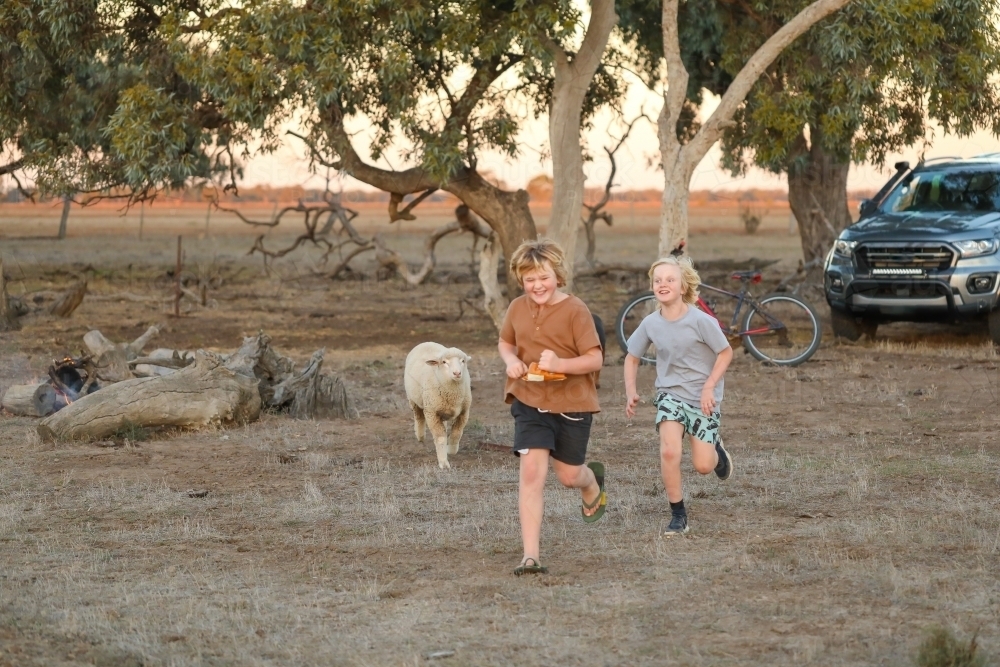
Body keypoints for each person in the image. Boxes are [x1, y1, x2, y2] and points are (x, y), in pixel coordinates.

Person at [498, 239, 606, 575]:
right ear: (521, 280)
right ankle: (531, 556)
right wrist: (511, 360)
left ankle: (592, 484)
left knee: (569, 476)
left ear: (558, 276)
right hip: (529, 400)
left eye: (543, 277)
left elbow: (595, 358)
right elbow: (505, 342)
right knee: (531, 474)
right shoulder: (516, 307)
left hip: (573, 402)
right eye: (529, 280)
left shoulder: (576, 310)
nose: (537, 286)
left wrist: (560, 362)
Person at [624, 255, 734, 536]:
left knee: (703, 466)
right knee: (670, 450)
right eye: (657, 280)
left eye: (670, 279)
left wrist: (710, 386)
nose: (663, 284)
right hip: (669, 395)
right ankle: (678, 514)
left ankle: (716, 451)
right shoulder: (650, 323)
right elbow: (631, 357)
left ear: (683, 286)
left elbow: (726, 352)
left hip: (702, 399)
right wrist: (631, 391)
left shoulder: (701, 321)